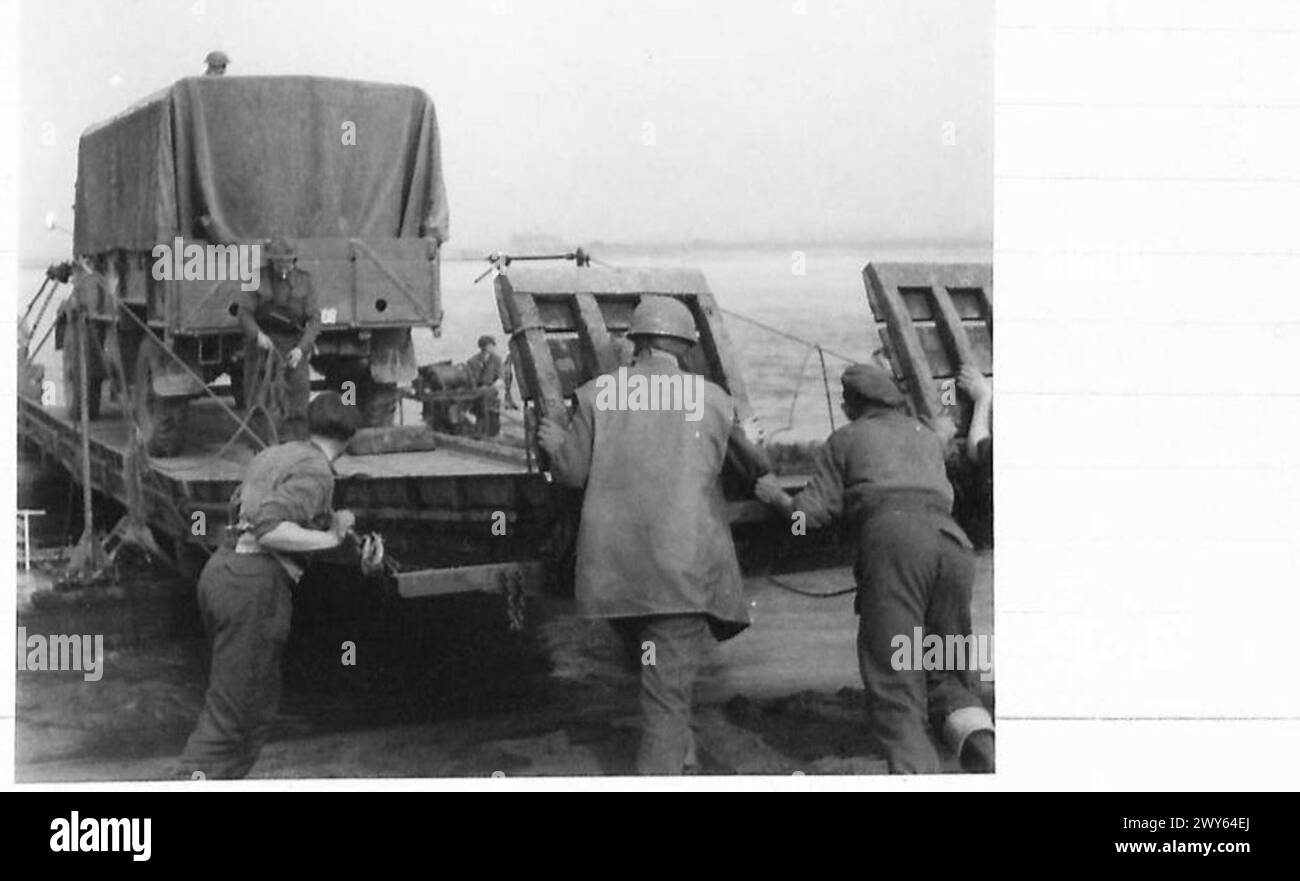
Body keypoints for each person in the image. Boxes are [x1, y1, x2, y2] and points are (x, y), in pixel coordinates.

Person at [537, 296, 750, 774]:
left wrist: (556, 444)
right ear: (685, 347)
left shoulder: (596, 394)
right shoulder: (715, 400)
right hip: (681, 571)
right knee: (666, 699)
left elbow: (570, 475)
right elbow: (724, 468)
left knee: (655, 679)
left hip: (615, 574)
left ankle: (685, 760)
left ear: (635, 343)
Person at [754, 364, 994, 774]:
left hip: (896, 546)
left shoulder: (846, 438)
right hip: (954, 547)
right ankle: (986, 756)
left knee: (894, 676)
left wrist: (775, 498)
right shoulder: (925, 435)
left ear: (850, 405)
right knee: (946, 666)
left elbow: (806, 519)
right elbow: (944, 428)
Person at [178, 392, 360, 779]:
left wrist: (326, 522)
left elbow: (245, 511)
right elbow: (269, 526)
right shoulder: (318, 472)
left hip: (222, 571)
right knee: (233, 718)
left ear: (310, 424)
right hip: (253, 586)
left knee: (254, 706)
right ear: (349, 440)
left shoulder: (272, 454)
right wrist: (332, 539)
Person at [238, 237, 320, 442]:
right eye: (279, 262)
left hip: (293, 345)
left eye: (288, 262)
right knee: (258, 398)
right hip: (262, 346)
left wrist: (302, 349)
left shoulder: (305, 281)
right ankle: (260, 445)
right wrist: (257, 335)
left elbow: (315, 320)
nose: (284, 266)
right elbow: (244, 313)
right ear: (271, 261)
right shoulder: (255, 278)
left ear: (294, 261)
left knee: (297, 397)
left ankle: (295, 445)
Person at [464, 334, 504, 437]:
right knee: (480, 410)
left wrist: (491, 387)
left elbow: (500, 378)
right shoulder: (472, 361)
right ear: (484, 346)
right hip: (476, 392)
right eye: (491, 345)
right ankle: (480, 431)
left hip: (491, 390)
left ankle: (493, 432)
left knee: (493, 411)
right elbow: (470, 380)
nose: (493, 347)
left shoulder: (496, 360)